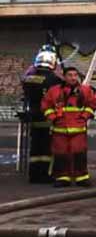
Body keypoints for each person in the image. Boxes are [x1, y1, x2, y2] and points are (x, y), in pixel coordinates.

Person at [41, 66, 96, 187]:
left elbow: (91, 105)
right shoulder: (54, 90)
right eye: (70, 75)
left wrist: (84, 117)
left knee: (79, 153)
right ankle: (62, 178)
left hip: (78, 129)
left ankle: (81, 177)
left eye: (75, 75)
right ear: (64, 76)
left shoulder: (85, 90)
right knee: (61, 154)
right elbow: (46, 106)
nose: (73, 77)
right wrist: (53, 118)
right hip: (60, 129)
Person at [19, 45, 63, 184]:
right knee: (46, 148)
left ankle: (34, 175)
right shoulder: (53, 79)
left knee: (35, 147)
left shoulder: (29, 78)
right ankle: (44, 174)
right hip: (48, 118)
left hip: (33, 116)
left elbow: (25, 84)